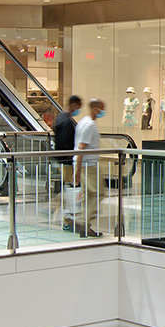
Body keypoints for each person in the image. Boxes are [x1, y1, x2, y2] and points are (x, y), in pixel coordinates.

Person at [73, 99, 106, 234]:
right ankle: (83, 222)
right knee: (98, 193)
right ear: (95, 109)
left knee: (88, 195)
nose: (102, 112)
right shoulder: (90, 125)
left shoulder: (83, 122)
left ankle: (84, 225)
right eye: (101, 109)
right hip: (89, 165)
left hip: (85, 164)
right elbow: (81, 148)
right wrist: (78, 171)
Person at [52, 95, 81, 230]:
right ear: (73, 104)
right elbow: (65, 142)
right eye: (78, 106)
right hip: (66, 161)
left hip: (62, 159)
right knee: (69, 189)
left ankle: (61, 213)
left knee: (68, 188)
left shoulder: (61, 118)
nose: (78, 109)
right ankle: (60, 213)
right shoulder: (66, 122)